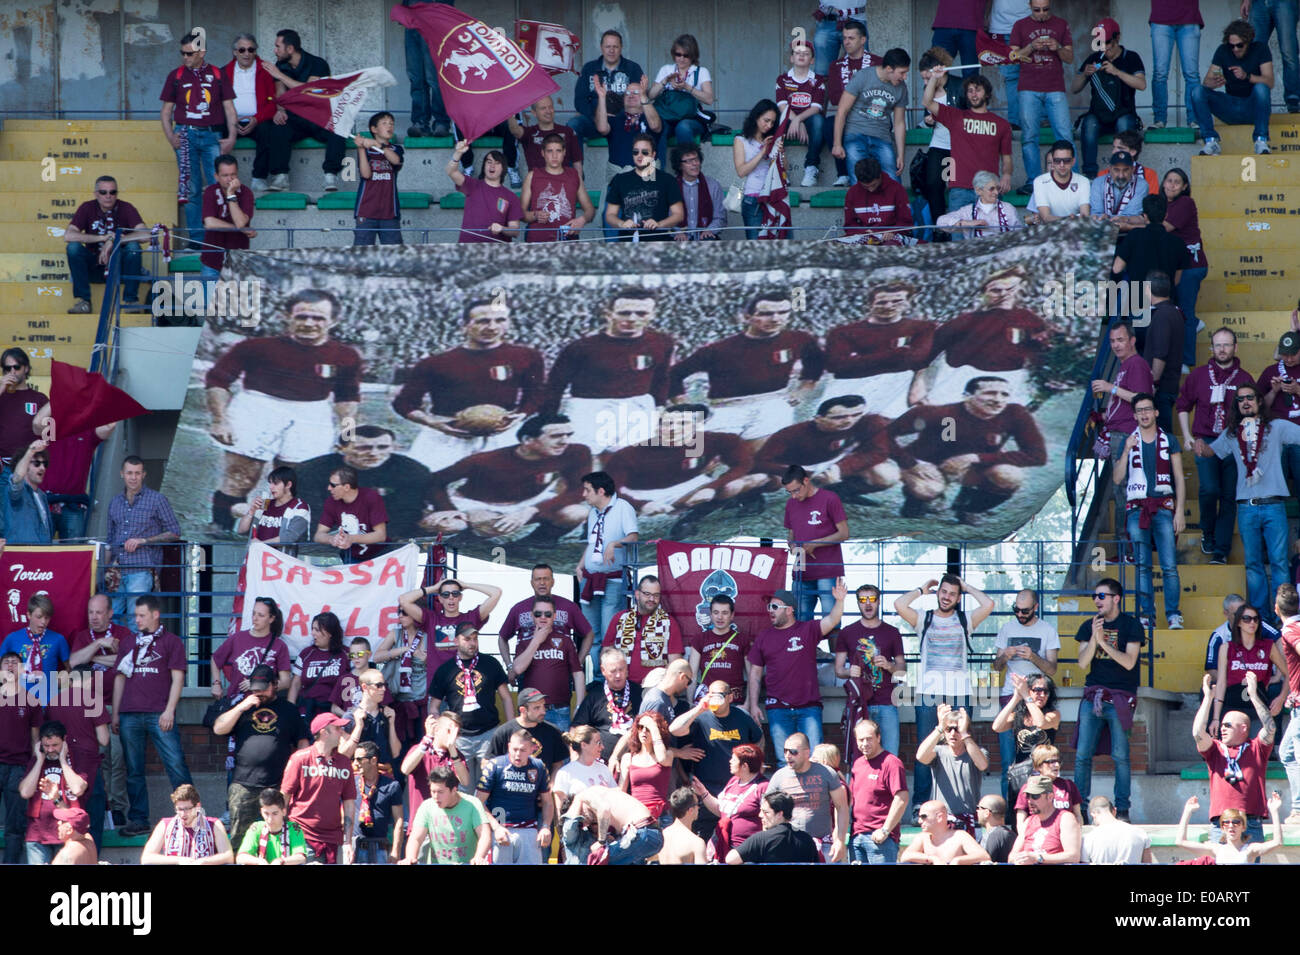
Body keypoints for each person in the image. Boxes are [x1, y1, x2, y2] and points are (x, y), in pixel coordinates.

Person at [204, 288, 361, 532]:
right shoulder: (255, 347)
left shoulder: (346, 355)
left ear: (333, 321)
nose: (309, 323)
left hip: (312, 414)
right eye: (301, 316)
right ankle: (220, 528)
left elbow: (347, 398)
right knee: (241, 476)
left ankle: (278, 535)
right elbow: (218, 380)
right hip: (257, 407)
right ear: (286, 316)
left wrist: (348, 434)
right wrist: (219, 419)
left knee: (297, 482)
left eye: (318, 317)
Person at [392, 298, 545, 474]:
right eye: (483, 321)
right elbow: (404, 403)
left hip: (501, 435)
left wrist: (521, 415)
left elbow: (536, 394)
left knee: (503, 494)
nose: (492, 327)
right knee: (421, 487)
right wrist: (433, 422)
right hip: (447, 434)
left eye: (500, 320)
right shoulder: (435, 363)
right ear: (465, 325)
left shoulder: (526, 356)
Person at [893, 574, 994, 810]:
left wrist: (966, 586)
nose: (947, 597)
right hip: (929, 693)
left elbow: (988, 604)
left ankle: (964, 801)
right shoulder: (924, 619)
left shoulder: (964, 619)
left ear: (958, 598)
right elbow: (899, 605)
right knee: (926, 746)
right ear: (938, 593)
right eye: (943, 591)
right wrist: (920, 589)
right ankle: (920, 803)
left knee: (961, 745)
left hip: (959, 694)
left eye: (952, 593)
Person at [669, 290, 822, 444]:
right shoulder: (718, 349)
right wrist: (684, 405)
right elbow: (673, 374)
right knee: (702, 460)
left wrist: (803, 390)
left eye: (782, 312)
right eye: (765, 314)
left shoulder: (799, 339)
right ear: (747, 317)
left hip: (773, 404)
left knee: (764, 458)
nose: (776, 319)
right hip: (726, 409)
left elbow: (816, 363)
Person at [890, 376, 1047, 524]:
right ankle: (918, 501)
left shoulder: (1015, 413)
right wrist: (912, 463)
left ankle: (970, 507)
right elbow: (884, 435)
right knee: (927, 490)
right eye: (989, 393)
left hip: (970, 466)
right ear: (967, 396)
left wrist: (977, 458)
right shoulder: (943, 414)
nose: (998, 400)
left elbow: (1037, 455)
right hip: (929, 464)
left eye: (1004, 394)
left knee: (1010, 476)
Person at [544, 289, 677, 456]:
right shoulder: (581, 348)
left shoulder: (662, 342)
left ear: (652, 314)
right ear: (609, 314)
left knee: (629, 465)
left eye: (641, 313)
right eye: (624, 313)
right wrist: (547, 420)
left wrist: (659, 406)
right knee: (581, 464)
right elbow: (554, 386)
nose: (632, 319)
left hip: (637, 407)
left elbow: (661, 377)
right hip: (588, 409)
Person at [1208, 383, 1300, 619]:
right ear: (1236, 406)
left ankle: (1284, 616)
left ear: (1260, 401)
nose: (1245, 402)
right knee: (1253, 564)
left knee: (1279, 562)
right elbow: (1211, 451)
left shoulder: (1276, 427)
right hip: (1246, 507)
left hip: (1274, 504)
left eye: (1250, 397)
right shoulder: (1231, 433)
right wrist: (1193, 442)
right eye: (1240, 399)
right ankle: (1260, 616)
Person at [112, 595, 192, 836]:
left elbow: (178, 678)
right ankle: (138, 819)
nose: (136, 620)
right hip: (129, 714)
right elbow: (119, 678)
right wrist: (116, 712)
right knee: (133, 769)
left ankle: (191, 814)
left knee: (176, 765)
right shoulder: (128, 642)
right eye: (135, 615)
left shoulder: (172, 641)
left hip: (159, 712)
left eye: (141, 615)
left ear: (156, 614)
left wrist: (169, 710)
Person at [747, 582, 847, 762]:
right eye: (769, 606)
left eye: (775, 606)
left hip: (808, 708)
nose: (770, 610)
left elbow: (832, 620)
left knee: (816, 759)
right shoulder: (764, 637)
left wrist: (839, 601)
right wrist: (753, 705)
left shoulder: (807, 629)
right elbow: (754, 674)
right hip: (777, 709)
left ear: (789, 610)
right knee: (784, 762)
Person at [212, 663, 307, 848]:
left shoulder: (288, 709)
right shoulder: (243, 707)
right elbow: (218, 728)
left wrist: (299, 777)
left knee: (278, 837)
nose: (259, 693)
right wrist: (241, 707)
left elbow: (303, 744)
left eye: (263, 690)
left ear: (275, 685)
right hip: (243, 784)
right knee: (240, 838)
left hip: (278, 784)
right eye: (255, 690)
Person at [1113, 392, 1186, 630]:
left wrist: (1180, 510)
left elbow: (1178, 477)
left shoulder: (1169, 439)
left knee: (1169, 565)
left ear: (1156, 412)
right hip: (1136, 508)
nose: (1144, 414)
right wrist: (1125, 450)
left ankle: (1173, 614)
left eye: (1148, 409)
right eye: (1139, 410)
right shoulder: (1129, 440)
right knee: (1142, 564)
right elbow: (1117, 479)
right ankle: (1147, 615)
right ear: (1134, 415)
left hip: (1164, 507)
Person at [1072, 577, 1143, 819]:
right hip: (1093, 696)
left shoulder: (1131, 625)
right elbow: (1082, 663)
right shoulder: (1088, 625)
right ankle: (1080, 808)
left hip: (1121, 698)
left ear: (1116, 598)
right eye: (1094, 596)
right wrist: (1095, 637)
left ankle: (1122, 809)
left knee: (1121, 756)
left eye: (1101, 595)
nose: (1096, 600)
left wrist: (1104, 643)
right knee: (1082, 755)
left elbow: (1129, 661)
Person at [1178, 327, 1251, 563]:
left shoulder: (1244, 379)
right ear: (1212, 347)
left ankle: (1221, 550)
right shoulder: (1198, 375)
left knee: (1229, 496)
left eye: (1227, 344)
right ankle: (1207, 533)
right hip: (1205, 441)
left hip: (1233, 443)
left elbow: (1253, 413)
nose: (1222, 349)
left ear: (1235, 347)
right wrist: (1188, 436)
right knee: (1210, 489)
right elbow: (1182, 406)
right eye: (1217, 345)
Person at [159, 31, 235, 246]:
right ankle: (196, 239)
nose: (185, 57)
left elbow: (229, 107)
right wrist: (170, 136)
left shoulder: (218, 75)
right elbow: (166, 111)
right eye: (182, 53)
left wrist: (231, 136)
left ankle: (218, 236)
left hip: (212, 135)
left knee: (217, 186)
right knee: (191, 189)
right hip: (186, 134)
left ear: (202, 52)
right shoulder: (175, 75)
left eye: (190, 54)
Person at [498, 569, 592, 729]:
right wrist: (509, 666)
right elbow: (503, 638)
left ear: (553, 581)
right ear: (531, 582)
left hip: (559, 697)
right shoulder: (519, 612)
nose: (542, 583)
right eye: (538, 579)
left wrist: (577, 662)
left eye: (546, 579)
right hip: (529, 697)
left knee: (561, 750)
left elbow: (588, 634)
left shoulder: (568, 610)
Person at [1194, 667, 1278, 842]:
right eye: (1222, 725)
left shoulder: (1257, 748)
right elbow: (1197, 733)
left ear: (1244, 728)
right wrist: (1208, 699)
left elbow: (1270, 728)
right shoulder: (1215, 749)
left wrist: (1254, 695)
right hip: (1221, 824)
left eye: (1227, 725)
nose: (1222, 728)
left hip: (1250, 823)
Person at [670, 680, 763, 836]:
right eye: (711, 694)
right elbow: (675, 730)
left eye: (719, 695)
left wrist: (757, 761)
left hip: (737, 789)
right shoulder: (701, 718)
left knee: (736, 835)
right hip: (707, 789)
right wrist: (699, 708)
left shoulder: (742, 716)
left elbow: (758, 738)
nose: (714, 699)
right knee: (704, 835)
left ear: (730, 697)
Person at [429, 622, 513, 786]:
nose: (472, 643)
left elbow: (507, 698)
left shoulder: (490, 663)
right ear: (456, 641)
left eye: (475, 639)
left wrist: (511, 729)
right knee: (461, 788)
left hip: (489, 734)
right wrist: (441, 733)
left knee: (490, 785)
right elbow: (433, 707)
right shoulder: (445, 670)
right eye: (467, 639)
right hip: (459, 737)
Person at [991, 589, 1059, 794]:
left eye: (1025, 611)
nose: (1020, 614)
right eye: (1016, 610)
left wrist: (1033, 657)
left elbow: (1052, 669)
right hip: (1011, 697)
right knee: (1008, 761)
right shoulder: (1007, 629)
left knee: (1038, 758)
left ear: (1036, 607)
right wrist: (1006, 655)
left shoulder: (1047, 630)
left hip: (1038, 698)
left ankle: (1040, 802)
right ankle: (1010, 811)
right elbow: (996, 666)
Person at [262, 29, 347, 190]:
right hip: (297, 119)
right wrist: (280, 109)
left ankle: (330, 176)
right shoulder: (281, 65)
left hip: (318, 117)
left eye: (277, 47)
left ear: (290, 49)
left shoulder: (318, 64)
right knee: (277, 125)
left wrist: (280, 75)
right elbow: (280, 93)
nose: (275, 50)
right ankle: (281, 177)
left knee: (339, 126)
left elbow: (310, 92)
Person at [104, 457, 181, 627]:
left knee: (136, 621)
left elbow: (175, 532)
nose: (133, 477)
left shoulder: (157, 499)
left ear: (143, 475)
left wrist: (144, 540)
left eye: (137, 473)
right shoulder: (114, 502)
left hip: (142, 569)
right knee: (112, 622)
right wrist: (104, 569)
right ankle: (118, 655)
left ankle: (136, 654)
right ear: (122, 474)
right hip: (116, 571)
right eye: (129, 473)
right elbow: (110, 539)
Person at [1008, 0, 1074, 192]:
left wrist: (1058, 47)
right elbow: (1012, 58)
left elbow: (1069, 58)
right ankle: (1033, 181)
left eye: (1046, 9)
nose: (1042, 13)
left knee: (1064, 135)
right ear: (1029, 6)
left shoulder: (1061, 24)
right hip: (1028, 87)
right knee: (1029, 136)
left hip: (1055, 87)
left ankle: (1072, 178)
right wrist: (1031, 46)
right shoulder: (1020, 25)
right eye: (1037, 10)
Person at [43, 667, 111, 851]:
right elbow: (104, 739)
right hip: (88, 765)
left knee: (65, 813)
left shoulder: (54, 702)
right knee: (92, 818)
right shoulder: (92, 701)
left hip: (60, 766)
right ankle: (90, 858)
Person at [922, 69, 1012, 207]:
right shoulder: (956, 117)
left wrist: (1006, 175)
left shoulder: (1002, 125)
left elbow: (1006, 157)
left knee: (992, 229)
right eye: (970, 91)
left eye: (977, 90)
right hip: (959, 188)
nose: (973, 94)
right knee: (958, 229)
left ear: (987, 94)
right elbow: (927, 102)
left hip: (989, 188)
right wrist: (934, 77)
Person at [835, 585, 905, 756]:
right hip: (860, 703)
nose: (867, 604)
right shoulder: (847, 633)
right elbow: (838, 670)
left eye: (872, 599)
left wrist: (889, 665)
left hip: (887, 703)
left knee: (890, 756)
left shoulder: (892, 632)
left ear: (879, 601)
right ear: (858, 603)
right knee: (860, 758)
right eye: (863, 600)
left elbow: (902, 671)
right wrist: (849, 671)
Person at [63, 176, 148, 313]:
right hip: (94, 267)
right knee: (73, 248)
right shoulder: (87, 207)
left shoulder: (126, 207)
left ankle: (131, 300)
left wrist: (115, 240)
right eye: (103, 192)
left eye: (112, 192)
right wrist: (103, 237)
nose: (108, 196)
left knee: (133, 248)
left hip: (119, 268)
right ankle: (84, 301)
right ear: (96, 194)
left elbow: (146, 235)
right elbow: (68, 235)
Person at [1073, 18, 1146, 178]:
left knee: (1124, 123)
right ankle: (1090, 175)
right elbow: (1074, 89)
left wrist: (1117, 72)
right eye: (1100, 43)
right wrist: (1085, 74)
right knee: (1089, 123)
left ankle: (1126, 169)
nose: (1104, 47)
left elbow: (1141, 84)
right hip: (1099, 116)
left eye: (1107, 42)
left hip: (1124, 113)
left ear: (1117, 38)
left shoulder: (1131, 57)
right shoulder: (1094, 58)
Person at [280, 713, 355, 864]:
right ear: (324, 732)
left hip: (334, 839)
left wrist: (348, 841)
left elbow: (349, 803)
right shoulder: (300, 758)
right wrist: (281, 834)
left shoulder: (344, 762)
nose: (342, 731)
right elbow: (284, 797)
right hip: (301, 835)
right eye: (337, 728)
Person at [1191, 19, 1274, 155]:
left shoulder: (1260, 49)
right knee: (1197, 91)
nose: (1235, 49)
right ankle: (1210, 141)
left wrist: (1247, 76)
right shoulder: (1223, 51)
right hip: (1230, 106)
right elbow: (1206, 82)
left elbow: (1270, 82)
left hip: (1252, 107)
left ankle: (1261, 140)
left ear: (1248, 41)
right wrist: (1214, 83)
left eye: (1239, 45)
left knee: (1261, 88)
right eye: (1232, 46)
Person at [832, 48, 910, 184]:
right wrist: (837, 144)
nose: (904, 77)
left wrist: (901, 155)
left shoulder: (901, 88)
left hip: (882, 137)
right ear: (889, 69)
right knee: (858, 179)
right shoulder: (863, 76)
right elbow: (842, 111)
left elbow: (899, 123)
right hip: (855, 134)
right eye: (902, 73)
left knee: (893, 181)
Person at [781, 466, 850, 620]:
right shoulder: (790, 504)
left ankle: (834, 645)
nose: (793, 496)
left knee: (831, 621)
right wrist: (792, 546)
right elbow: (791, 535)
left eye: (796, 490)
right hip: (801, 571)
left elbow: (844, 533)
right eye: (789, 492)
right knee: (800, 621)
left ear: (806, 481)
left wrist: (815, 544)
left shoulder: (829, 498)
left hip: (828, 570)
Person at [767, 732, 848, 861]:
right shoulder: (779, 776)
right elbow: (766, 810)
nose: (788, 755)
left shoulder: (826, 773)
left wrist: (840, 840)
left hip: (824, 843)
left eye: (793, 751)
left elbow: (842, 807)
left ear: (806, 753)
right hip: (789, 843)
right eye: (785, 751)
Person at [477, 729, 553, 865]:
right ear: (508, 747)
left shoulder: (539, 767)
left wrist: (546, 826)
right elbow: (478, 802)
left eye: (523, 750)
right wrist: (495, 827)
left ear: (531, 749)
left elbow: (548, 802)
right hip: (500, 830)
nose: (518, 754)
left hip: (529, 829)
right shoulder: (495, 765)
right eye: (514, 749)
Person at [1213, 603, 1286, 737]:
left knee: (1259, 750)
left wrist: (1281, 698)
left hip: (1258, 706)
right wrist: (1216, 718)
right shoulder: (1226, 648)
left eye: (1256, 619)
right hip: (1232, 706)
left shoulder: (1268, 646)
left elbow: (1290, 673)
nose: (1252, 622)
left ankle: (1274, 746)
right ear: (1239, 622)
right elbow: (1221, 683)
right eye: (1247, 618)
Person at [20, 721, 88, 864]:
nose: (50, 750)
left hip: (67, 833)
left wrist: (63, 760)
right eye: (46, 746)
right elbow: (25, 792)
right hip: (37, 834)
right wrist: (39, 760)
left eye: (55, 745)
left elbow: (78, 789)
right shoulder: (38, 760)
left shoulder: (77, 758)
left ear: (65, 741)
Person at [914, 704, 987, 833]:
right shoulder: (938, 752)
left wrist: (964, 734)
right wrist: (940, 728)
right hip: (943, 819)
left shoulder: (976, 751)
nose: (953, 733)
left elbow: (982, 764)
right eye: (949, 729)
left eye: (957, 729)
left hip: (970, 818)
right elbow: (920, 756)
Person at [403, 764, 495, 864]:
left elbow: (484, 835)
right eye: (433, 791)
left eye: (440, 792)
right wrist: (410, 857)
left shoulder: (473, 804)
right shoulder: (427, 806)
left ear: (454, 790)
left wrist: (479, 857)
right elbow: (416, 838)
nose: (435, 796)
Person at [601, 575, 683, 687]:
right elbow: (606, 654)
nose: (651, 599)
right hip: (622, 687)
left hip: (654, 689)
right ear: (637, 594)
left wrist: (659, 683)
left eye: (656, 595)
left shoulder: (669, 622)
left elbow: (675, 664)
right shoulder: (620, 618)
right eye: (647, 594)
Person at [993, 673, 1060, 805]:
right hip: (1021, 773)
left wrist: (1027, 696)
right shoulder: (1018, 716)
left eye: (1045, 691)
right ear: (1028, 690)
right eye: (1036, 690)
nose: (1041, 694)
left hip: (1044, 773)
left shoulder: (1053, 714)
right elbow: (997, 727)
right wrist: (1016, 698)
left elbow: (1040, 723)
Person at [603, 133, 684, 242]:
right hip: (627, 244)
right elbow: (610, 215)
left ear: (653, 155)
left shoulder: (667, 180)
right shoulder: (620, 179)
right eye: (635, 152)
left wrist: (659, 224)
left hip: (658, 243)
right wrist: (621, 223)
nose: (639, 156)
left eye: (645, 152)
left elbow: (678, 214)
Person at [224, 34, 278, 192]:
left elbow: (273, 102)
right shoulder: (224, 72)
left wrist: (256, 119)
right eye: (242, 50)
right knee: (214, 130)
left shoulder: (267, 70)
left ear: (255, 51)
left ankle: (259, 178)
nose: (246, 53)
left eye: (250, 49)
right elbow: (219, 103)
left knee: (268, 130)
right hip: (231, 120)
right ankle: (222, 179)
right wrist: (233, 121)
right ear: (235, 52)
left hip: (257, 120)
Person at [571, 30, 645, 143]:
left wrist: (620, 115)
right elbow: (580, 100)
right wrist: (597, 115)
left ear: (621, 48)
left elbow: (639, 99)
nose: (611, 50)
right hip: (594, 120)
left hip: (623, 120)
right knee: (574, 125)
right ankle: (577, 161)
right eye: (608, 46)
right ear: (601, 47)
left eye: (615, 46)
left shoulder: (632, 68)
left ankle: (643, 160)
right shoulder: (589, 68)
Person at [211, 597, 291, 700]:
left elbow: (286, 682)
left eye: (261, 615)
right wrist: (216, 683)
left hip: (264, 705)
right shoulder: (237, 638)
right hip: (237, 702)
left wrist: (258, 685)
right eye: (254, 613)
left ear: (271, 619)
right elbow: (216, 659)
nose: (255, 618)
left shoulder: (279, 645)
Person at [572, 648, 644, 761]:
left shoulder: (639, 693)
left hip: (634, 759)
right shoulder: (594, 695)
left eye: (621, 669)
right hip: (600, 762)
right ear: (603, 670)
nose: (618, 675)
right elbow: (576, 728)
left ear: (627, 669)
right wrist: (575, 757)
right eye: (613, 671)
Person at [646, 34, 714, 153]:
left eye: (686, 55)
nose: (681, 59)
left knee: (683, 127)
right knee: (657, 128)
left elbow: (709, 99)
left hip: (691, 119)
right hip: (668, 117)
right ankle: (655, 168)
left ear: (693, 56)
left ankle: (686, 167)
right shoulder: (666, 69)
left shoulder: (701, 71)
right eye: (678, 54)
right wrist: (665, 81)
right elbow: (651, 96)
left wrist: (687, 87)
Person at [522, 133, 595, 243]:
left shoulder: (574, 175)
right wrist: (535, 215)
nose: (554, 156)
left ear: (564, 153)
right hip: (537, 241)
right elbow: (520, 213)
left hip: (567, 240)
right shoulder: (532, 175)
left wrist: (582, 220)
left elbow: (590, 210)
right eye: (550, 151)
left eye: (558, 151)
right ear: (543, 153)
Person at [1175, 791, 1284, 864]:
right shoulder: (1216, 849)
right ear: (1222, 828)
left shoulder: (1250, 850)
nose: (1231, 825)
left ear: (1243, 827)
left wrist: (1274, 811)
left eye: (1236, 822)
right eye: (1226, 823)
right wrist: (1187, 811)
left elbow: (1277, 842)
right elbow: (1180, 842)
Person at [776, 39, 829, 188]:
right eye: (797, 53)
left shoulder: (818, 80)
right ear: (791, 58)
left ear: (812, 60)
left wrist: (798, 120)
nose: (801, 56)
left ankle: (811, 167)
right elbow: (782, 106)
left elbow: (816, 108)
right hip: (788, 118)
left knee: (819, 121)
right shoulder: (783, 79)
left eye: (806, 54)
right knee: (775, 121)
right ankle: (780, 171)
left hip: (809, 119)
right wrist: (796, 122)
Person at [140, 783, 234, 865]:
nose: (183, 814)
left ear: (197, 806)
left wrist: (204, 862)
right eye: (179, 809)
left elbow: (228, 856)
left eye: (187, 809)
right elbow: (146, 858)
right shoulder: (165, 824)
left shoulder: (214, 824)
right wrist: (179, 860)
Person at [199, 154, 255, 289]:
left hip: (238, 262)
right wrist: (238, 229)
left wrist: (231, 194)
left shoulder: (246, 193)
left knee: (235, 309)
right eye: (225, 175)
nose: (230, 179)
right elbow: (210, 223)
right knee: (210, 308)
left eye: (233, 175)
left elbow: (241, 222)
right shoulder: (210, 192)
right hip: (211, 261)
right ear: (216, 176)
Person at [0, 592, 68, 703]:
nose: (43, 622)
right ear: (29, 615)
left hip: (49, 701)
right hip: (19, 701)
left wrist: (57, 682)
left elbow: (69, 669)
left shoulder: (58, 639)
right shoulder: (12, 638)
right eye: (39, 617)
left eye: (47, 618)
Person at [1112, 197, 1189, 295]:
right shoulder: (1178, 242)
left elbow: (1117, 268)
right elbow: (1176, 281)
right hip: (1165, 301)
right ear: (1165, 216)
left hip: (1137, 299)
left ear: (1145, 216)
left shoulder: (1134, 235)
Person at [448, 141, 522, 243]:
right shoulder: (472, 185)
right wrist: (458, 153)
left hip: (498, 252)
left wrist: (502, 228)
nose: (492, 166)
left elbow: (515, 230)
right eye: (489, 162)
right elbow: (451, 172)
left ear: (503, 168)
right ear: (484, 166)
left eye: (497, 163)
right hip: (467, 250)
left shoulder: (511, 197)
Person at [312, 465, 388, 564]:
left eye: (333, 485)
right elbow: (318, 535)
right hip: (351, 556)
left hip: (379, 556)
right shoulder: (331, 502)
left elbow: (380, 535)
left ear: (347, 487)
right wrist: (332, 539)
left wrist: (351, 538)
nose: (329, 488)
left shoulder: (371, 497)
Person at [336, 669, 401, 782]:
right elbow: (343, 754)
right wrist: (359, 726)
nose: (383, 689)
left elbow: (395, 752)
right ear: (365, 687)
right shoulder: (350, 717)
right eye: (378, 685)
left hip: (383, 777)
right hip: (358, 777)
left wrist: (391, 723)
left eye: (384, 685)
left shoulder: (387, 714)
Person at [351, 111, 404, 246]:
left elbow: (396, 160)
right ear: (374, 129)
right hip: (366, 210)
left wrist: (377, 145)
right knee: (362, 254)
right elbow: (366, 174)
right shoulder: (367, 151)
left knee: (395, 255)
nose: (389, 126)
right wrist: (361, 149)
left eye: (392, 123)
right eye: (384, 123)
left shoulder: (396, 148)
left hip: (390, 212)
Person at [1149, 0, 1203, 130]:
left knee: (1192, 74)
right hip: (1161, 16)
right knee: (1160, 73)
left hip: (1189, 16)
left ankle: (1193, 119)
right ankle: (1159, 119)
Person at [488, 687, 568, 774]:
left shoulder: (553, 732)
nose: (543, 712)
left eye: (544, 706)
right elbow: (488, 761)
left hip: (542, 786)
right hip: (509, 786)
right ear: (523, 710)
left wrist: (552, 784)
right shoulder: (503, 732)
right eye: (537, 708)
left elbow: (558, 764)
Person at [349, 740, 404, 864]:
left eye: (359, 759)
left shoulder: (391, 785)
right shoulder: (351, 782)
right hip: (354, 847)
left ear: (373, 760)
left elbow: (399, 820)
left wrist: (396, 851)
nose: (355, 763)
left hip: (380, 848)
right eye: (354, 759)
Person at [1259, 331, 1300, 497]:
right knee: (1275, 488)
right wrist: (1273, 392)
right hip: (1277, 438)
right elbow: (1258, 408)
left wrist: (1298, 390)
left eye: (1293, 354)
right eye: (1284, 354)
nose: (1289, 359)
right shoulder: (1270, 371)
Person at [287, 612, 347, 722]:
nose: (313, 633)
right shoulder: (306, 654)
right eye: (312, 629)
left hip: (332, 714)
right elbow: (295, 684)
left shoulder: (345, 654)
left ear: (330, 633)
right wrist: (289, 711)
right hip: (306, 711)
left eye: (317, 630)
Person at [1008, 774, 1082, 864]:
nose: (1030, 801)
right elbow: (1011, 856)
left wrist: (1038, 858)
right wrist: (1019, 859)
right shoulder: (1028, 822)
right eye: (1028, 796)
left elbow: (1073, 856)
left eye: (1035, 796)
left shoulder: (1065, 819)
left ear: (1050, 797)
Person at [733, 100, 779, 240]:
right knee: (755, 245)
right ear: (756, 117)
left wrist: (780, 152)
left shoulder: (772, 139)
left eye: (772, 122)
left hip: (774, 197)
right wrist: (762, 152)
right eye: (766, 120)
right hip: (753, 199)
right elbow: (741, 171)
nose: (769, 125)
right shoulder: (741, 140)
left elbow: (785, 168)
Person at [509, 95, 585, 179]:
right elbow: (514, 130)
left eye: (550, 107)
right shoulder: (529, 133)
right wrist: (510, 110)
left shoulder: (567, 132)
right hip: (538, 185)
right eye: (543, 108)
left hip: (564, 183)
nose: (548, 111)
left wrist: (578, 185)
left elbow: (577, 162)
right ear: (534, 112)